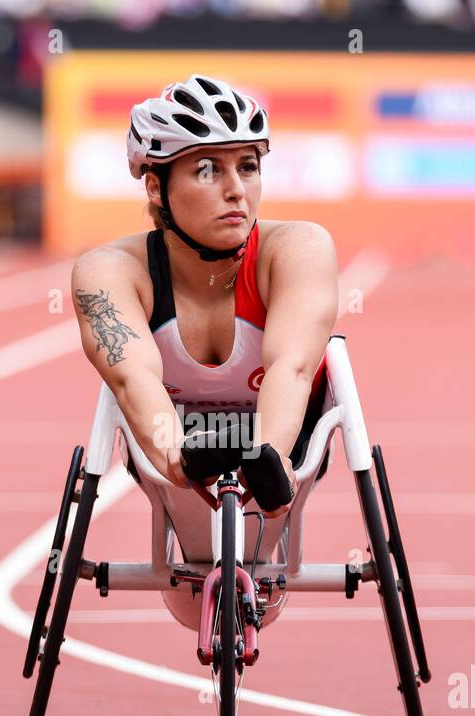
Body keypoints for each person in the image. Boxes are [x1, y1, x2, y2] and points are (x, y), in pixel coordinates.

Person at [70, 73, 339, 521]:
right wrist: (178, 456)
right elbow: (131, 379)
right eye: (208, 169)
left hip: (289, 440)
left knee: (266, 549)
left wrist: (270, 462)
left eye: (248, 166)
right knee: (189, 576)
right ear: (155, 187)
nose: (236, 189)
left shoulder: (298, 249)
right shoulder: (108, 271)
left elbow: (291, 370)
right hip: (172, 440)